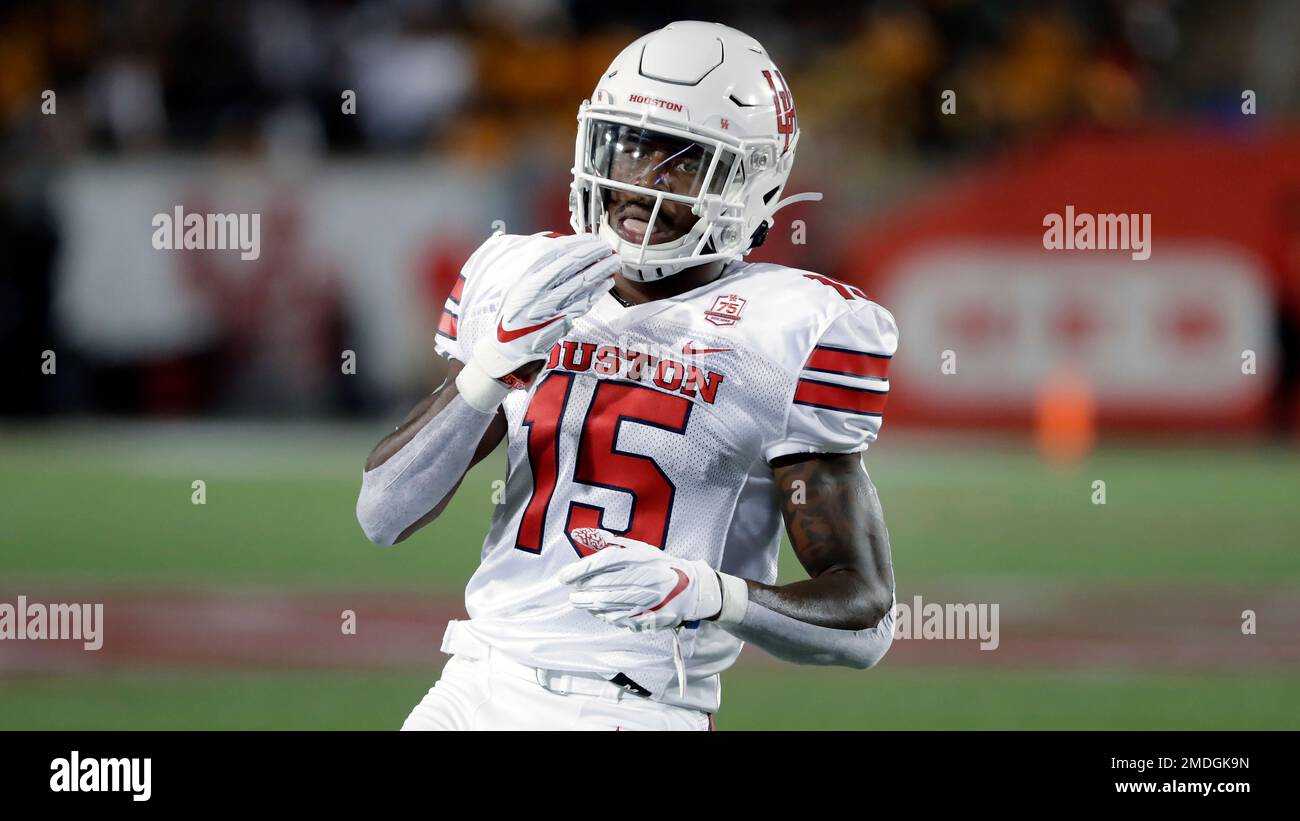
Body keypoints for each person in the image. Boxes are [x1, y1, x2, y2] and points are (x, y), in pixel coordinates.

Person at [357, 21, 898, 730]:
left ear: (750, 182)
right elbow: (382, 514)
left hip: (631, 705)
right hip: (474, 682)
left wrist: (709, 593)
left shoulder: (789, 327)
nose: (641, 181)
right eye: (631, 145)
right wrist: (492, 365)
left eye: (682, 160)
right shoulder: (526, 276)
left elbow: (864, 624)